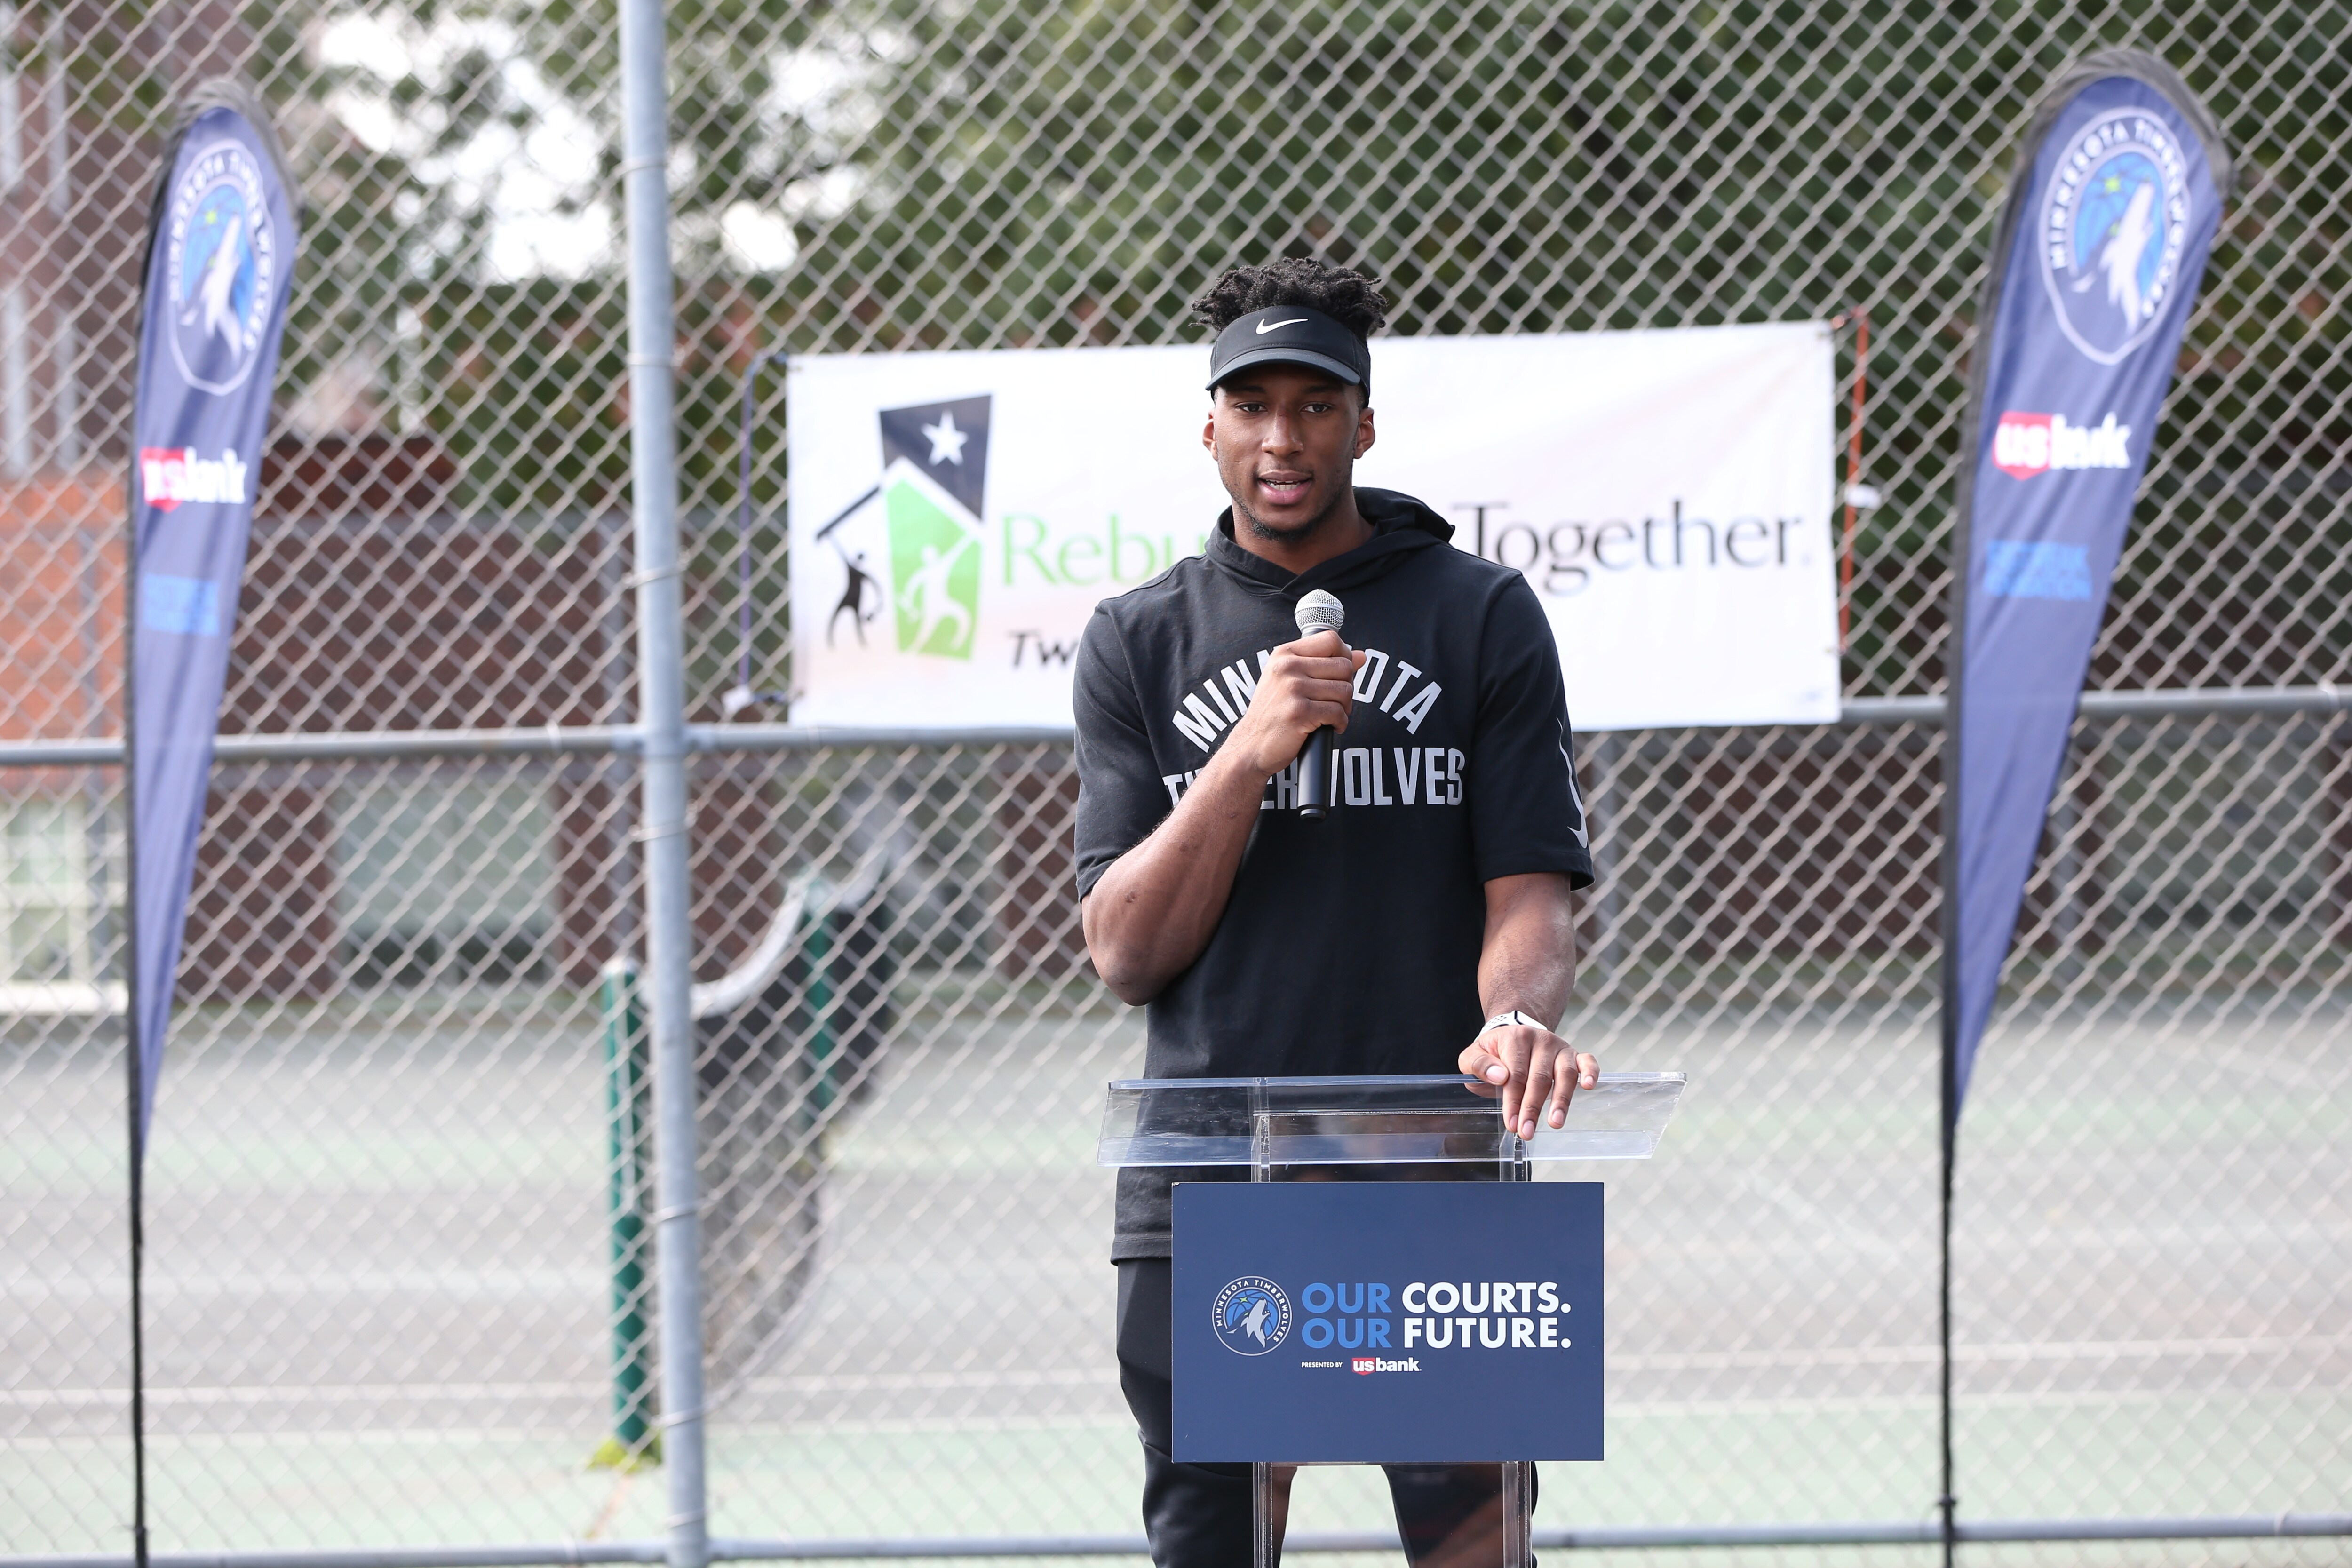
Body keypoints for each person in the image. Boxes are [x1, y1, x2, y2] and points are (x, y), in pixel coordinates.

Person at [1073, 257, 1598, 1564]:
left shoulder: (1479, 615)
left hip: (1435, 1171)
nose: (1283, 438)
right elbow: (1126, 951)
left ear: (1366, 424)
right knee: (1218, 1550)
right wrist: (1249, 755)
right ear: (1209, 427)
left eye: (1317, 405)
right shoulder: (1139, 639)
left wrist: (1515, 1024)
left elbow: (1528, 896)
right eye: (1251, 405)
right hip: (1215, 1179)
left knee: (1476, 1548)